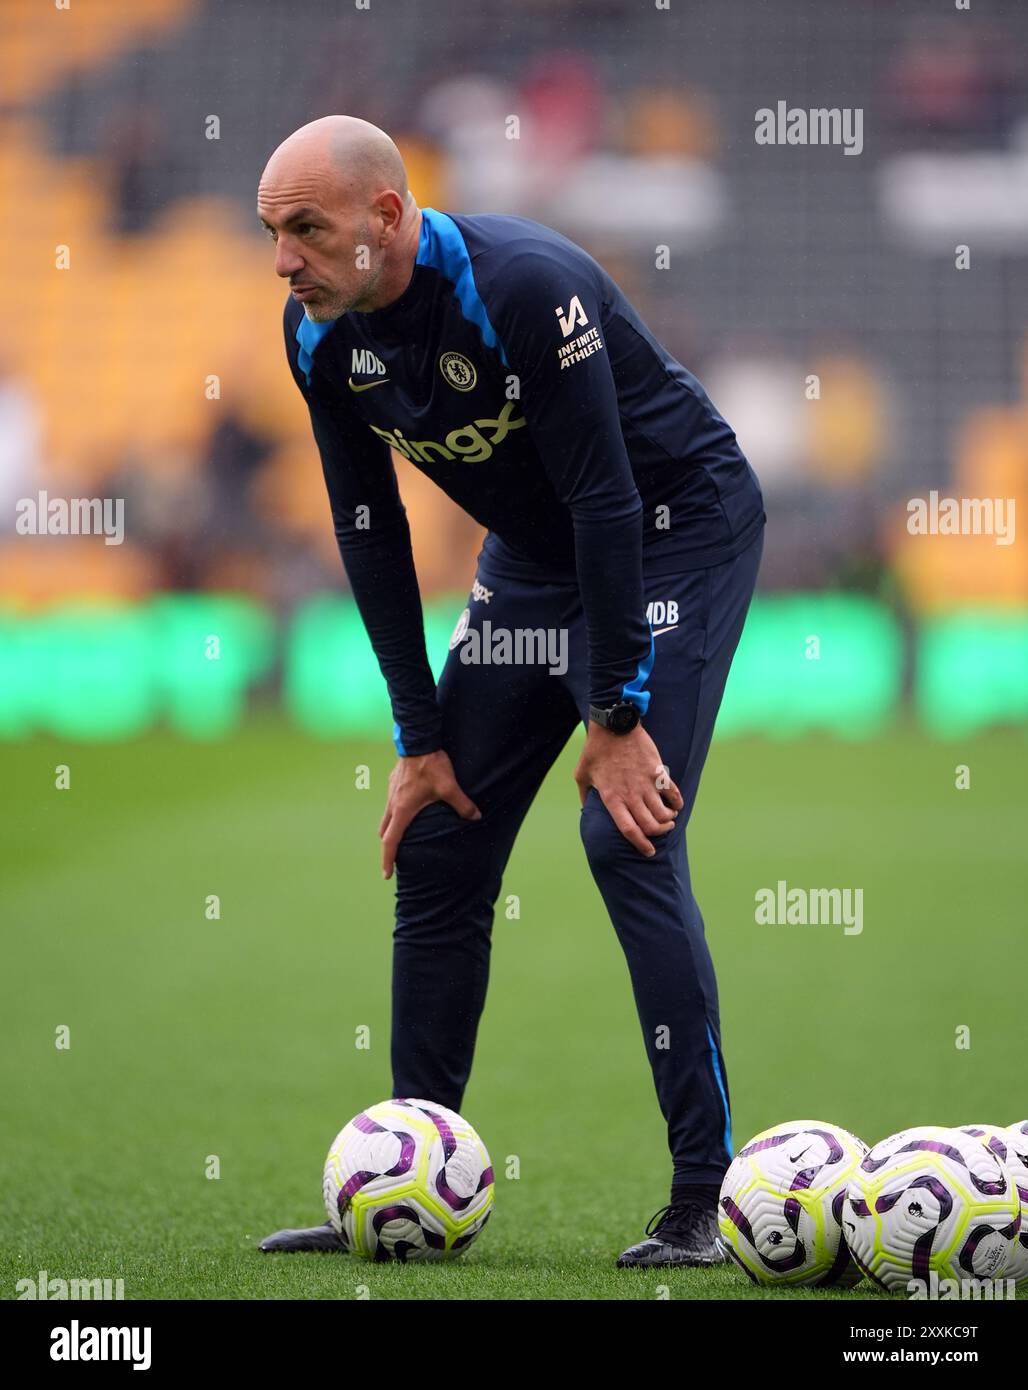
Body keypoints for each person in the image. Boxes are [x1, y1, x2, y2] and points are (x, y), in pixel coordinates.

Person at [256, 116, 764, 1268]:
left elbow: (607, 502)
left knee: (621, 832)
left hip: (674, 531)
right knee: (439, 840)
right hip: (534, 567)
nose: (282, 259)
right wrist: (417, 736)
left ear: (386, 217)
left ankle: (702, 1196)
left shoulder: (526, 286)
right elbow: (368, 529)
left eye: (304, 230)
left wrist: (616, 714)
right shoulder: (317, 336)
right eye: (271, 233)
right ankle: (404, 1175)